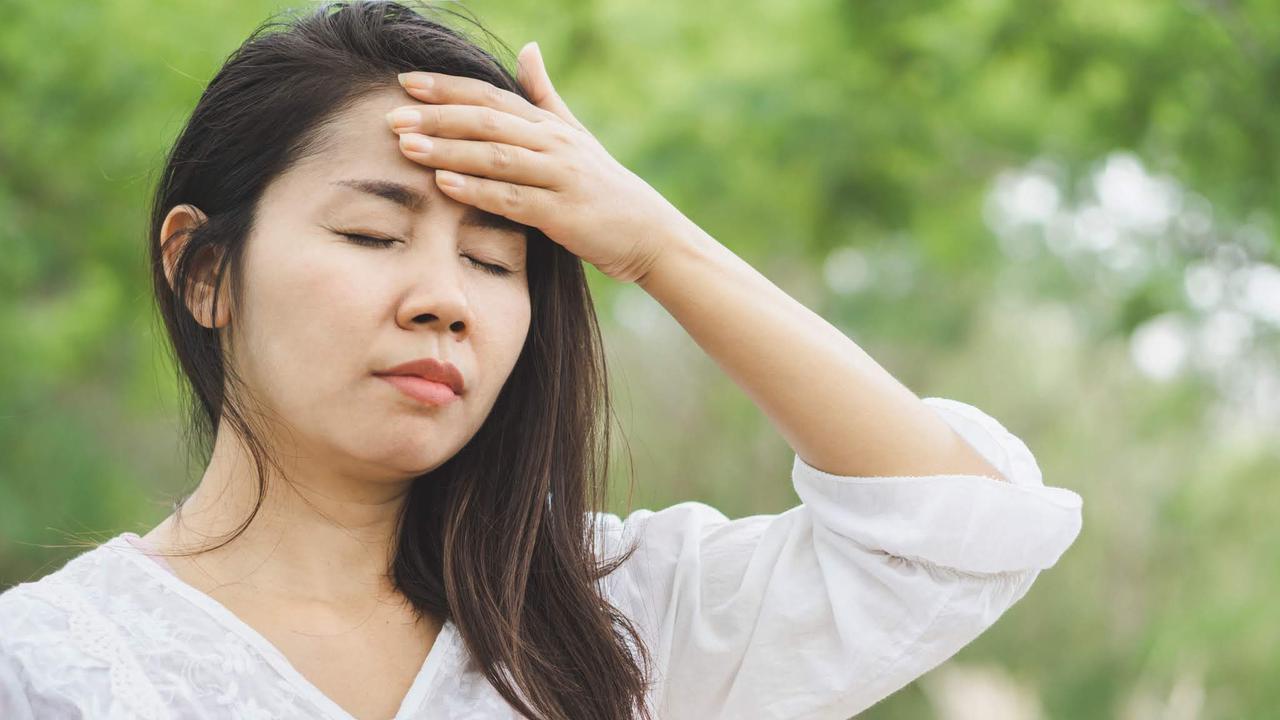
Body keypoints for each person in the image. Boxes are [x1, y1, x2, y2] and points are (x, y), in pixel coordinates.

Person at [0, 2, 1083, 719]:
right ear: (203, 272)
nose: (444, 300)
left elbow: (958, 532)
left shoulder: (613, 618)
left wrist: (657, 247)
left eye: (492, 260)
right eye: (373, 234)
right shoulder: (50, 666)